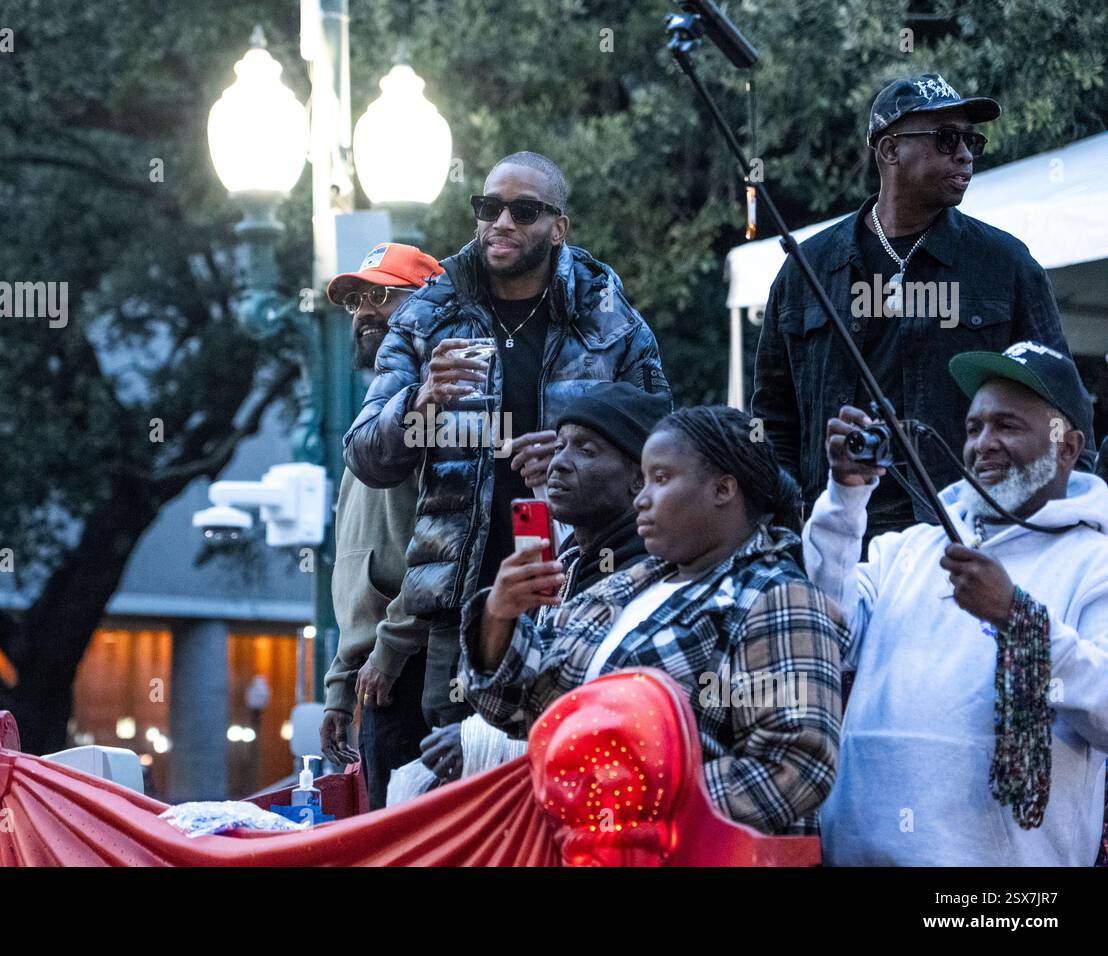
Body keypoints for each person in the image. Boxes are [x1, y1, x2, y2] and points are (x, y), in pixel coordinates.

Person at [343, 151, 670, 733]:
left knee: (567, 766)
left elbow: (663, 451)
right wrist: (419, 403)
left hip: (579, 595)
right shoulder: (429, 314)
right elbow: (365, 455)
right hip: (458, 607)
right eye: (489, 208)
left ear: (558, 227)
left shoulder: (607, 317)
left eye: (524, 212)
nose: (503, 224)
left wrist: (584, 456)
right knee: (458, 781)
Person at [457, 406, 848, 835]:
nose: (642, 497)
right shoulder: (629, 586)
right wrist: (499, 615)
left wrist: (636, 810)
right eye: (643, 480)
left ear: (723, 489)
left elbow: (796, 763)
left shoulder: (774, 595)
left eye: (661, 479)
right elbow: (526, 708)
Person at [804, 341, 1108, 865]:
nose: (984, 445)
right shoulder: (907, 548)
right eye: (973, 429)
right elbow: (820, 635)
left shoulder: (1096, 562)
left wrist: (1017, 618)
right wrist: (845, 496)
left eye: (1008, 426)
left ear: (1067, 446)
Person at [752, 73, 1088, 541]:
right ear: (890, 150)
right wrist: (782, 525)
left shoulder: (1004, 264)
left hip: (967, 532)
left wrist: (1068, 524)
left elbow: (1062, 400)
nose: (965, 154)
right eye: (947, 138)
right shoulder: (807, 270)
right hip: (837, 531)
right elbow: (774, 420)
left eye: (972, 140)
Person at [417, 381, 669, 783]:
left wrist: (479, 741)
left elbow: (593, 713)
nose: (559, 463)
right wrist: (497, 614)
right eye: (561, 445)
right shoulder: (567, 562)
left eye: (586, 450)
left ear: (639, 480)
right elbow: (512, 699)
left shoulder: (652, 574)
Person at [319, 242, 443, 810]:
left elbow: (445, 547)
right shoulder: (376, 419)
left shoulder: (438, 405)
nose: (365, 311)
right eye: (356, 301)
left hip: (417, 666)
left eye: (383, 296)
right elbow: (358, 565)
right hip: (377, 674)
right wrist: (340, 690)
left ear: (429, 307)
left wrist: (389, 652)